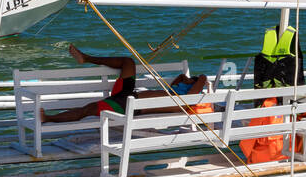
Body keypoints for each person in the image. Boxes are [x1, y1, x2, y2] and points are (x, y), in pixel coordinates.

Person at [40, 44, 209, 123]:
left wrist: (199, 78)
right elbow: (179, 78)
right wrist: (186, 79)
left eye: (194, 83)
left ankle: (48, 118)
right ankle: (86, 58)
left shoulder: (185, 101)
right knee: (128, 62)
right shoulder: (176, 93)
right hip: (128, 94)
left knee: (87, 110)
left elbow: (200, 82)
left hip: (127, 106)